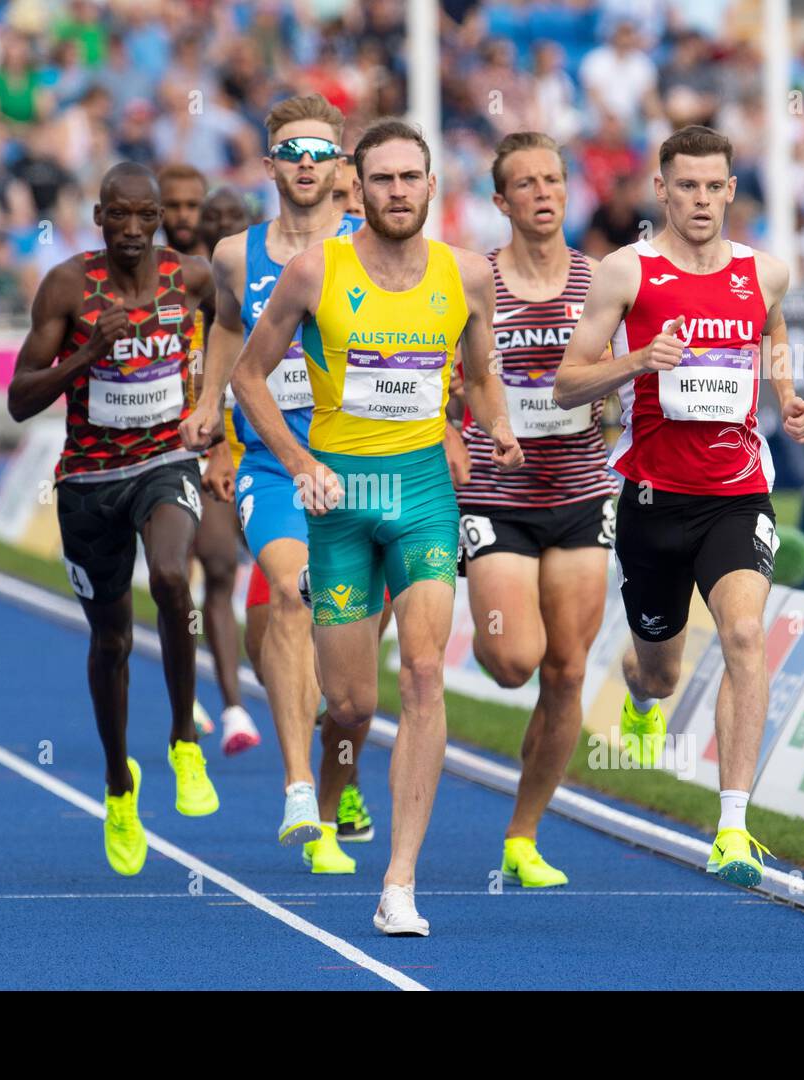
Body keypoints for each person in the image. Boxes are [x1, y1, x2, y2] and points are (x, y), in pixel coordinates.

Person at [224, 118, 523, 934]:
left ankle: (399, 883)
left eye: (411, 179)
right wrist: (298, 462)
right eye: (383, 179)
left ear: (433, 186)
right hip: (340, 501)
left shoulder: (466, 277)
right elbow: (248, 378)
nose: (398, 193)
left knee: (424, 674)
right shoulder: (317, 270)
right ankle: (329, 714)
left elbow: (482, 378)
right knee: (352, 703)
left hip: (423, 495)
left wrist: (493, 424)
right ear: (363, 186)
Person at [554, 125, 804, 887]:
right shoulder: (624, 272)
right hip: (650, 497)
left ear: (733, 190)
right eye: (688, 187)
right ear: (662, 191)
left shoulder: (766, 272)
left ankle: (733, 828)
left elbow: (771, 337)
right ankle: (640, 693)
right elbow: (566, 383)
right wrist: (640, 360)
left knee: (743, 632)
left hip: (737, 493)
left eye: (715, 187)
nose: (702, 200)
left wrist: (789, 398)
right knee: (661, 673)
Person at [8, 163, 220, 877]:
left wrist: (212, 402)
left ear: (159, 218)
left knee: (170, 577)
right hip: (89, 482)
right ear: (99, 217)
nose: (133, 230)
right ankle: (118, 784)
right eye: (119, 217)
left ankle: (185, 739)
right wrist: (90, 353)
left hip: (163, 463)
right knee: (112, 642)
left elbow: (234, 331)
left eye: (146, 217)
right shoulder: (68, 286)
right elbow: (17, 398)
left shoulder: (189, 280)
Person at [181, 94, 372, 875]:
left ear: (338, 166)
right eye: (290, 150)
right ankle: (298, 791)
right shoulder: (235, 253)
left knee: (354, 690)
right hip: (274, 461)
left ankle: (333, 795)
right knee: (291, 595)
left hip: (370, 464)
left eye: (318, 151)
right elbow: (228, 326)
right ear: (269, 165)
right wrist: (208, 407)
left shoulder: (377, 245)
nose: (304, 163)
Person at [450, 132, 617, 887]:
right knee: (513, 661)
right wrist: (455, 431)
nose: (544, 194)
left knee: (568, 668)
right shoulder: (473, 280)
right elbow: (429, 372)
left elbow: (632, 371)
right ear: (501, 200)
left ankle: (523, 835)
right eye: (526, 184)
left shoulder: (600, 279)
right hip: (497, 494)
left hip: (581, 492)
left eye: (554, 179)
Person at [158, 166, 259, 750]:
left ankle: (233, 707)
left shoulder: (253, 281)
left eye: (198, 207)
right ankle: (199, 699)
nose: (190, 218)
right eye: (180, 206)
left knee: (217, 572)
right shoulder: (167, 279)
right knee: (185, 575)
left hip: (240, 449)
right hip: (172, 449)